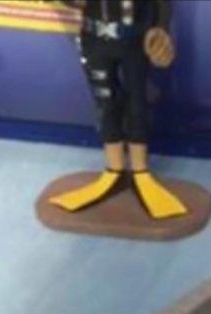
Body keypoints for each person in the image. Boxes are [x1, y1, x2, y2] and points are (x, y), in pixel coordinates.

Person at [49, 0, 187, 219]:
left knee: (136, 101)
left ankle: (140, 170)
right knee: (105, 102)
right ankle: (114, 168)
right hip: (93, 38)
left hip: (135, 38)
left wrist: (161, 27)